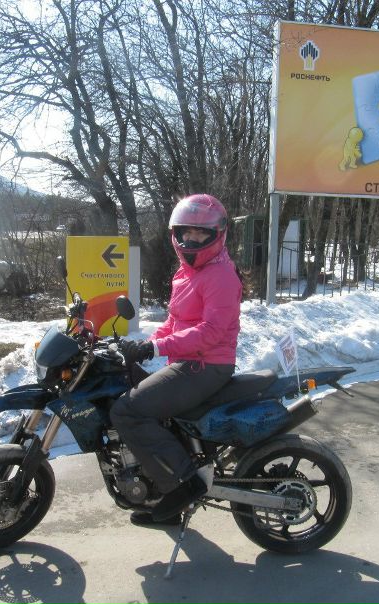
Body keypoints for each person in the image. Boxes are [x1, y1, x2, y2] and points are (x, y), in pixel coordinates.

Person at [110, 193, 242, 526]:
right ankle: (159, 492)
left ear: (217, 234)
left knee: (127, 410)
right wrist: (145, 344)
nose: (192, 239)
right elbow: (174, 322)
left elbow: (211, 332)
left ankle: (183, 484)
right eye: (187, 232)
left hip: (207, 365)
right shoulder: (185, 274)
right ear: (177, 234)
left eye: (201, 233)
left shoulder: (220, 275)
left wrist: (157, 349)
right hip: (188, 361)